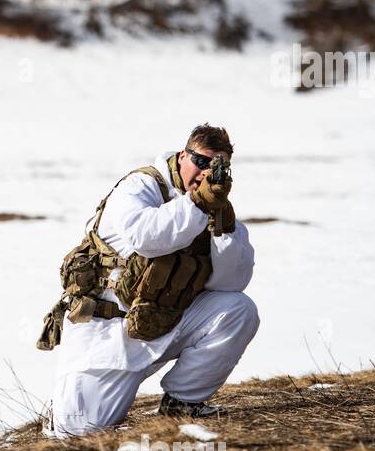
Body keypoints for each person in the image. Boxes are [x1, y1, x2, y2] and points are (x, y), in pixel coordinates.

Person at [38, 124, 259, 434]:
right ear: (183, 156)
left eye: (218, 167)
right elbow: (145, 237)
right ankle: (65, 407)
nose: (207, 174)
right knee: (77, 432)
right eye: (201, 162)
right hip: (109, 332)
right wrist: (197, 204)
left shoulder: (215, 205)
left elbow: (231, 282)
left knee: (237, 309)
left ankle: (183, 403)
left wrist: (222, 228)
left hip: (165, 322)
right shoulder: (141, 186)